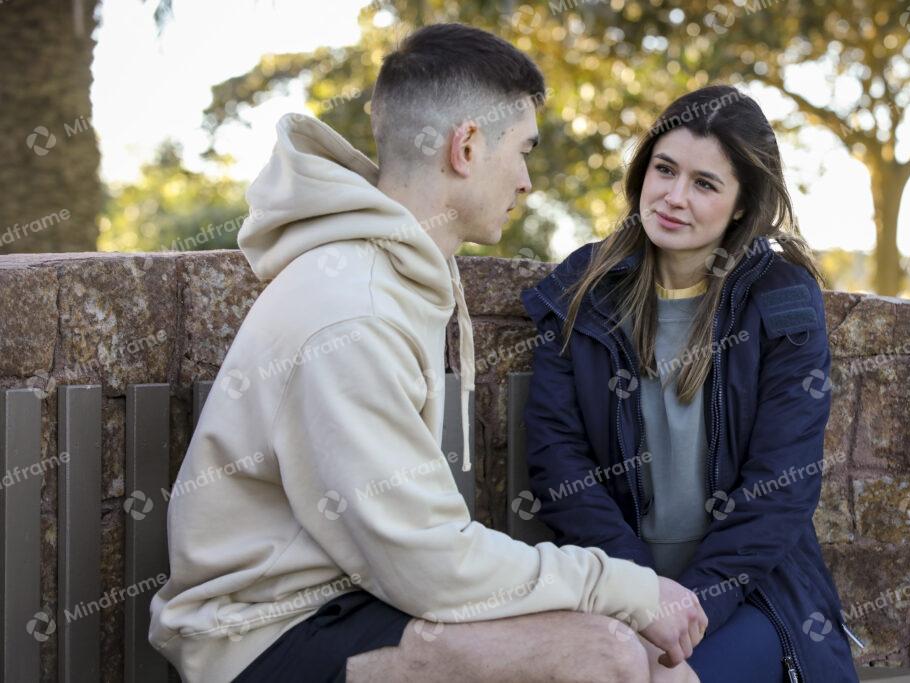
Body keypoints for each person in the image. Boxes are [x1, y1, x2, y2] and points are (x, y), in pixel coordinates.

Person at [149, 23, 705, 683]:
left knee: (647, 659)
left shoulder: (392, 277)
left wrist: (627, 601)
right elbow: (430, 566)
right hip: (263, 636)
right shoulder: (351, 310)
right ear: (467, 146)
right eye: (523, 150)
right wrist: (629, 586)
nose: (526, 180)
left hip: (357, 598)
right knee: (603, 654)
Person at [520, 84, 861, 683]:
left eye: (705, 184)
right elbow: (557, 462)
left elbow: (783, 486)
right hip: (608, 584)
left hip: (752, 595)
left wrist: (693, 603)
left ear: (741, 205)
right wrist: (644, 592)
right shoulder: (584, 287)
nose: (674, 197)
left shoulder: (779, 296)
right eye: (665, 170)